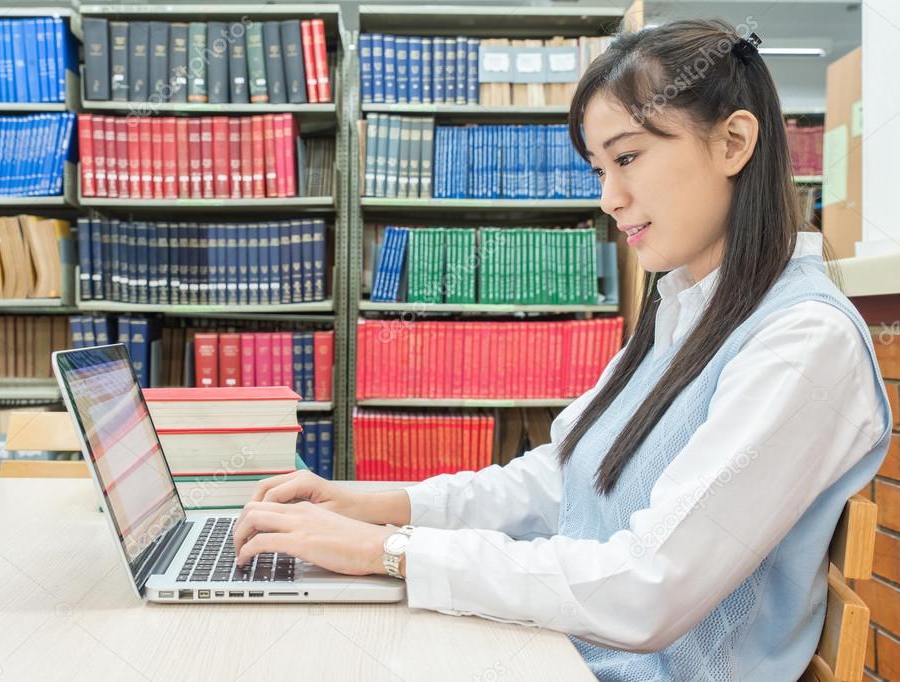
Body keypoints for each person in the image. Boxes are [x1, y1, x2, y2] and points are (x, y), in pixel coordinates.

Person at [232, 18, 893, 681]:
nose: (609, 198)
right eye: (600, 169)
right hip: (571, 656)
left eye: (628, 157)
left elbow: (648, 588)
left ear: (733, 142)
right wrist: (371, 506)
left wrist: (394, 551)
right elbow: (563, 478)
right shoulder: (686, 307)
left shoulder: (802, 342)